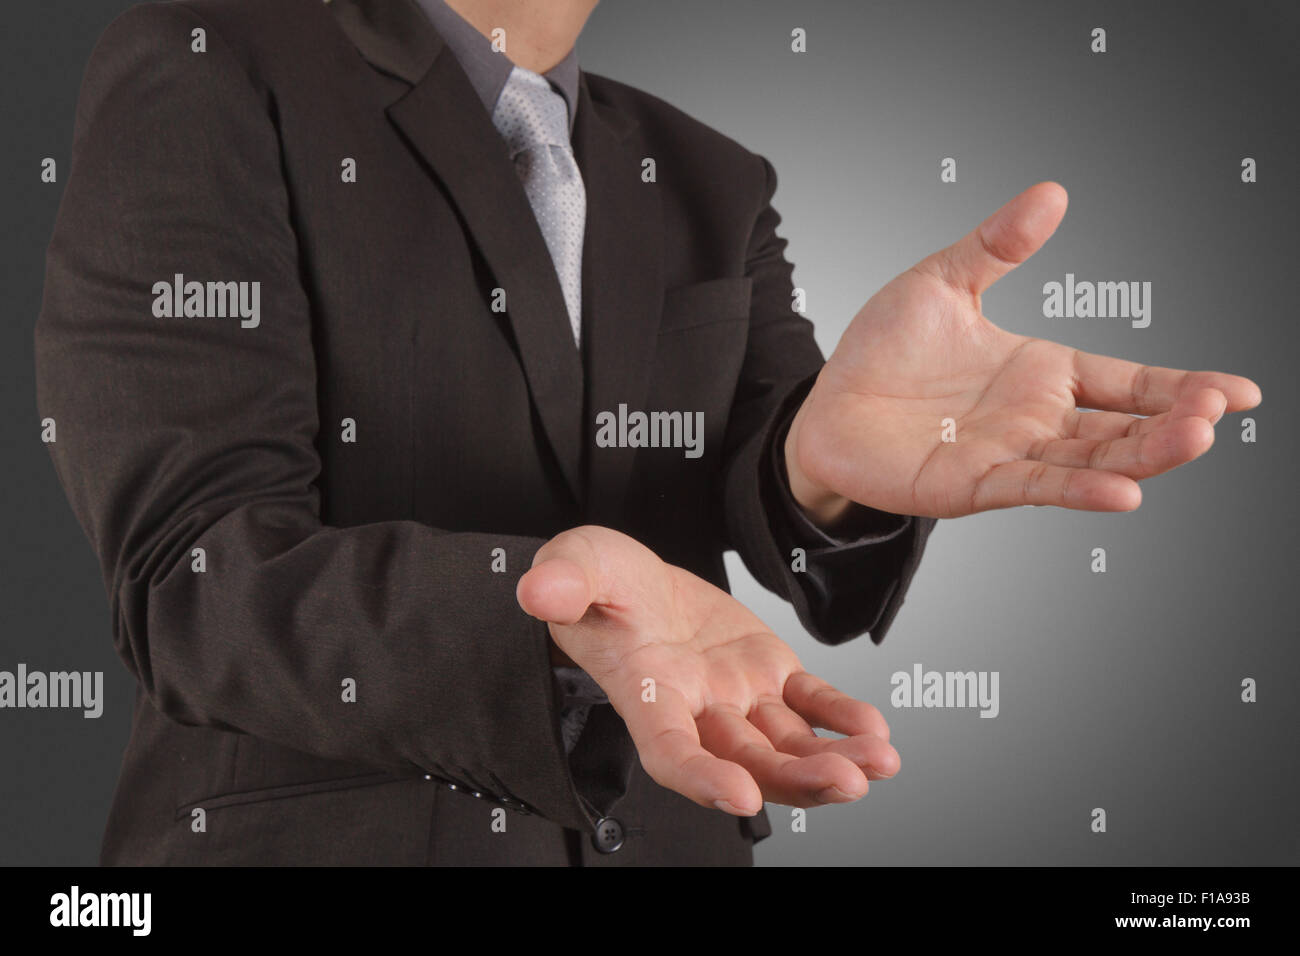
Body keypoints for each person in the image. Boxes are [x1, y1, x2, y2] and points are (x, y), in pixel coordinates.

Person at [35, 0, 1260, 866]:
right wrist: (552, 628)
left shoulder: (709, 176)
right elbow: (191, 571)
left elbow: (764, 471)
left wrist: (821, 472)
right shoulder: (208, 61)